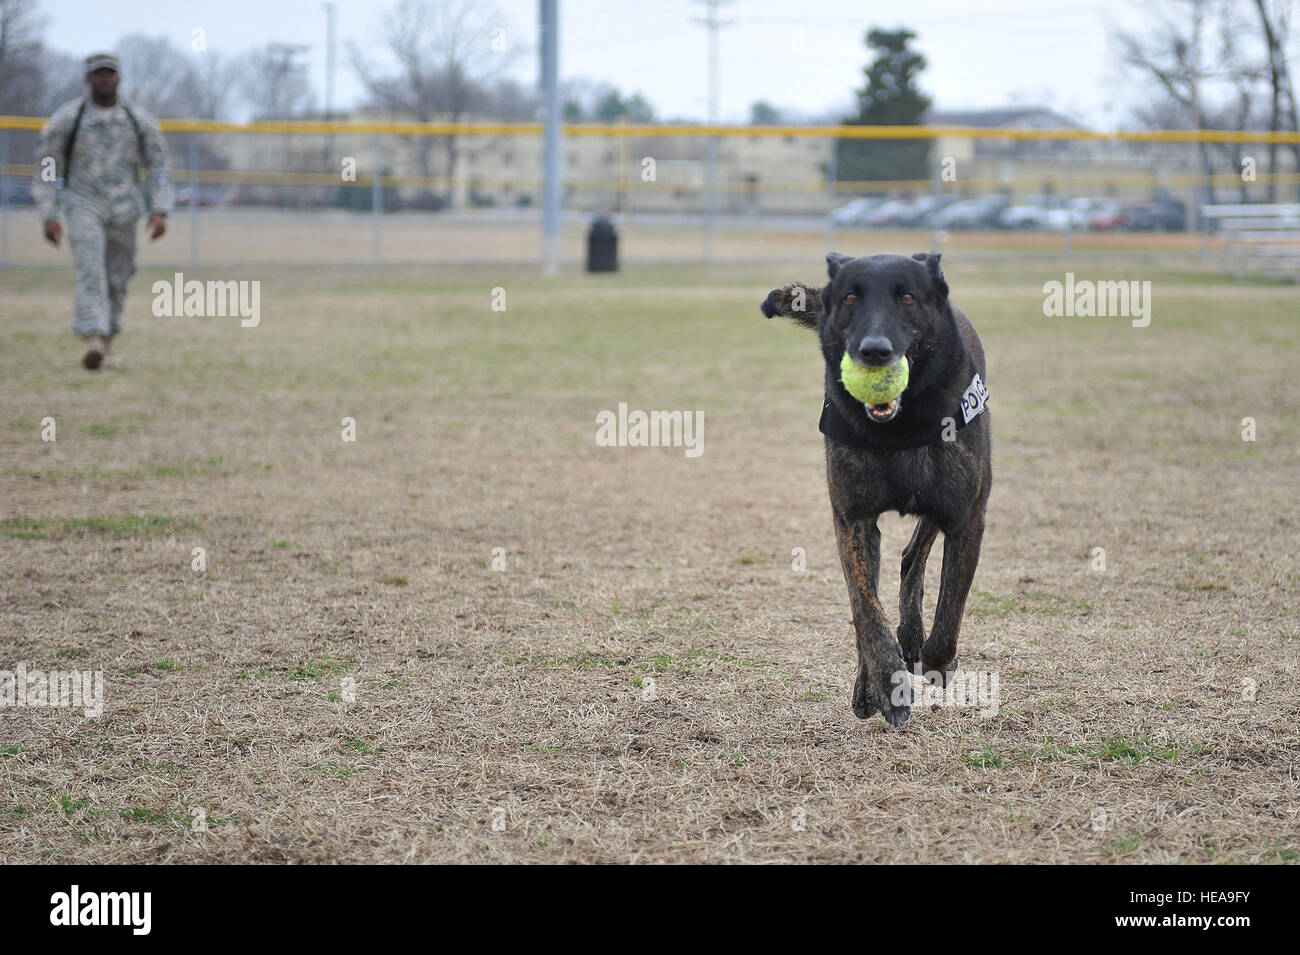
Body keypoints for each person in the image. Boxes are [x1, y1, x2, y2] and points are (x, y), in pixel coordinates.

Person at [33, 52, 174, 370]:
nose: (105, 79)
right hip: (83, 203)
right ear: (87, 79)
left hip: (126, 208)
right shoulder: (68, 120)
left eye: (110, 74)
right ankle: (93, 336)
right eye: (98, 74)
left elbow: (158, 165)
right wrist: (48, 212)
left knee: (119, 275)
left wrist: (160, 210)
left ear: (119, 78)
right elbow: (47, 166)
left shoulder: (139, 121)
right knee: (91, 268)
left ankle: (107, 342)